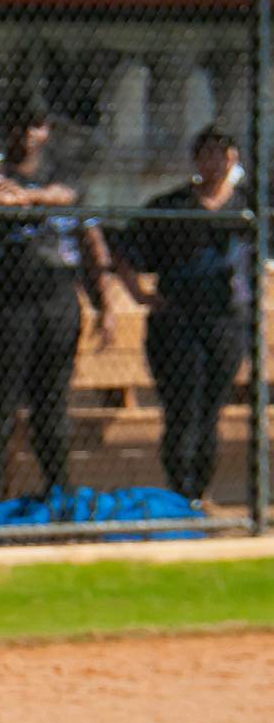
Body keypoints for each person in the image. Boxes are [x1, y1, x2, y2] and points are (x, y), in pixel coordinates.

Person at [0, 103, 117, 505]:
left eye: (34, 126)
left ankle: (58, 495)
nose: (26, 135)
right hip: (6, 306)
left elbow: (84, 227)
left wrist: (106, 304)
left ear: (46, 129)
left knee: (52, 405)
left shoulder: (59, 170)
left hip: (58, 302)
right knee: (0, 406)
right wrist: (1, 194)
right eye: (18, 125)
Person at [110, 127, 252, 507]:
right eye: (207, 153)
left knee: (210, 411)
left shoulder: (248, 207)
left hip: (224, 321)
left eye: (223, 153)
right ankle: (179, 496)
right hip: (176, 323)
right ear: (195, 159)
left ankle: (200, 494)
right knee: (181, 409)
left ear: (234, 158)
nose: (215, 161)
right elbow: (120, 248)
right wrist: (140, 294)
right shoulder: (170, 206)